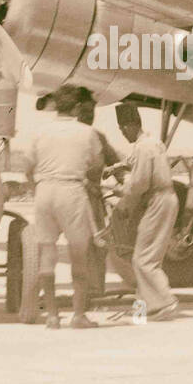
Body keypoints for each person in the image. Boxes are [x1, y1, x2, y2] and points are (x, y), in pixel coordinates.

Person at [27, 84, 103, 329]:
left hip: (44, 190)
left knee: (47, 254)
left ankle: (51, 316)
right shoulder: (87, 132)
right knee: (78, 255)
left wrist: (37, 185)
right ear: (79, 107)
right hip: (71, 190)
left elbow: (27, 167)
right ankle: (78, 315)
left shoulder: (40, 132)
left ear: (56, 105)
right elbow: (97, 166)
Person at [113, 102, 181, 321]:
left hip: (157, 200)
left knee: (143, 259)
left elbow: (139, 183)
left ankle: (166, 303)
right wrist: (116, 168)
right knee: (147, 257)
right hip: (166, 199)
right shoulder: (152, 142)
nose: (122, 133)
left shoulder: (143, 147)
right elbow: (135, 161)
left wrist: (123, 199)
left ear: (132, 125)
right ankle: (143, 310)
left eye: (124, 128)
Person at [75, 88, 123, 299]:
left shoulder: (98, 137)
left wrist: (127, 184)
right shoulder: (69, 135)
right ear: (76, 110)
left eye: (91, 110)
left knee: (97, 247)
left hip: (93, 200)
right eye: (85, 110)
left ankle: (94, 290)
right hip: (72, 197)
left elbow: (116, 164)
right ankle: (85, 291)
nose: (89, 114)